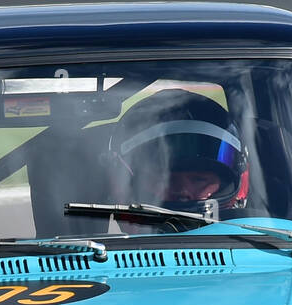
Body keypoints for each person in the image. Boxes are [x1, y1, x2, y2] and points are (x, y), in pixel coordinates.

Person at [106, 89, 249, 223]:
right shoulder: (87, 243)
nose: (182, 191)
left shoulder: (265, 240)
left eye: (199, 179)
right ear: (120, 182)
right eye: (164, 179)